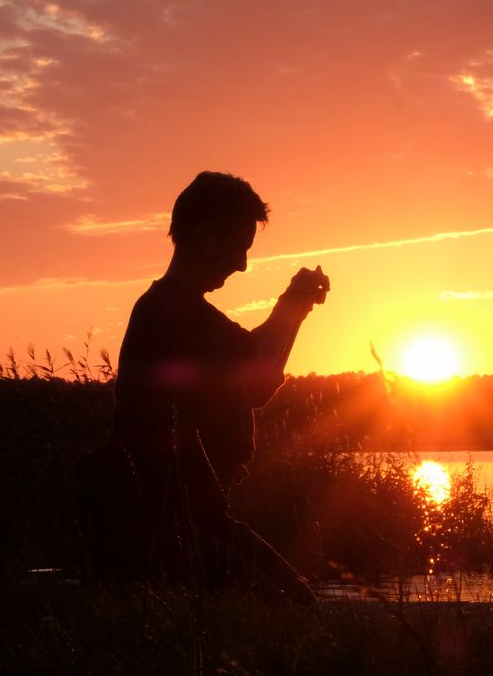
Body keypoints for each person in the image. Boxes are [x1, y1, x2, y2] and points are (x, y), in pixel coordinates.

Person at [86, 171, 328, 604]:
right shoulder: (172, 313)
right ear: (201, 234)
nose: (242, 264)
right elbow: (258, 372)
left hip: (194, 520)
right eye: (238, 247)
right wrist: (295, 302)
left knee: (298, 601)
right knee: (291, 606)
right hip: (164, 532)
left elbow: (255, 380)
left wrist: (296, 306)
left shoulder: (173, 310)